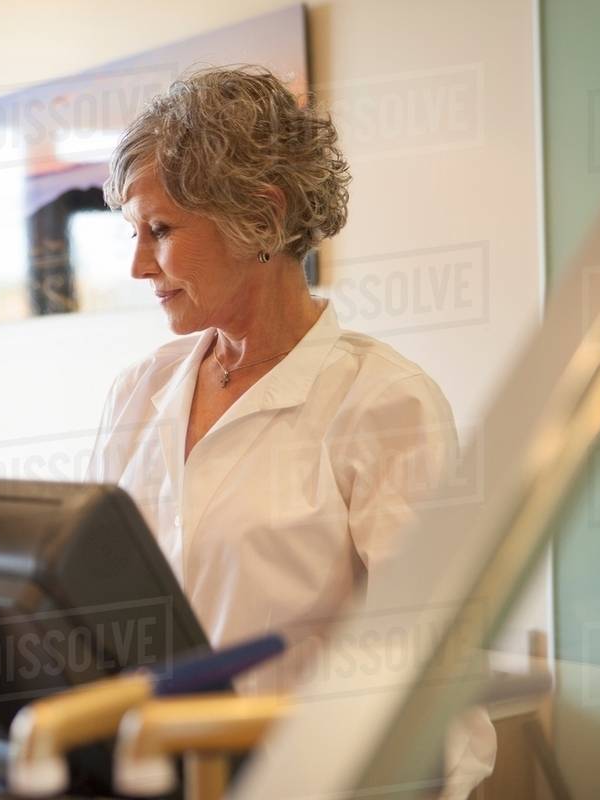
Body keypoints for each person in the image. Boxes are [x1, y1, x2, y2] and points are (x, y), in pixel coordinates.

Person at [86, 67, 495, 798]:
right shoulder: (139, 392)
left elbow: (433, 671)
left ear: (262, 217)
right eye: (133, 232)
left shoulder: (383, 405)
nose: (138, 264)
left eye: (161, 230)